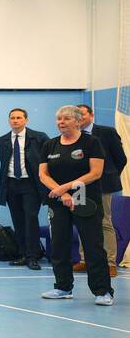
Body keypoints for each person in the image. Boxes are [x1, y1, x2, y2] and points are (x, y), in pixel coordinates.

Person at [39, 106, 113, 305]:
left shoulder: (91, 142)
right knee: (59, 245)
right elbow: (43, 174)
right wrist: (61, 193)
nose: (61, 122)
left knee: (93, 245)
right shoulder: (50, 145)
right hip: (59, 200)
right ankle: (63, 287)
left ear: (78, 121)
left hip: (85, 198)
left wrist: (66, 188)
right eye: (59, 119)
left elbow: (95, 173)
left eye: (66, 118)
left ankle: (102, 291)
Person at [72, 104, 127, 277]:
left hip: (103, 185)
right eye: (77, 115)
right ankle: (84, 260)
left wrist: (107, 176)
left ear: (91, 115)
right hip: (80, 185)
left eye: (82, 114)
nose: (79, 118)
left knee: (104, 222)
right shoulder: (73, 135)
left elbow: (120, 159)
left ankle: (110, 262)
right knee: (83, 220)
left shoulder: (107, 132)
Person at [0, 108, 47, 270]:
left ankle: (33, 256)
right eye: (12, 118)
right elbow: (3, 161)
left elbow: (47, 159)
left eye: (19, 118)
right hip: (12, 184)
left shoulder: (39, 137)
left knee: (31, 219)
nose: (15, 120)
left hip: (31, 185)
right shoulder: (2, 140)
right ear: (9, 120)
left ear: (26, 120)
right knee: (18, 220)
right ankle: (23, 254)